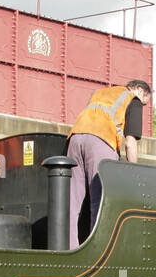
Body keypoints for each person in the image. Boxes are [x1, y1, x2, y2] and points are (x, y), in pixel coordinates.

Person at [65, 78, 151, 247]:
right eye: (145, 102)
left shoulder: (100, 93)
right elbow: (130, 143)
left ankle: (68, 249)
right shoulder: (132, 100)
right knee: (101, 201)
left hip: (75, 138)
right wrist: (135, 173)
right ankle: (98, 253)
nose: (143, 105)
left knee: (72, 202)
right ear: (140, 91)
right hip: (102, 140)